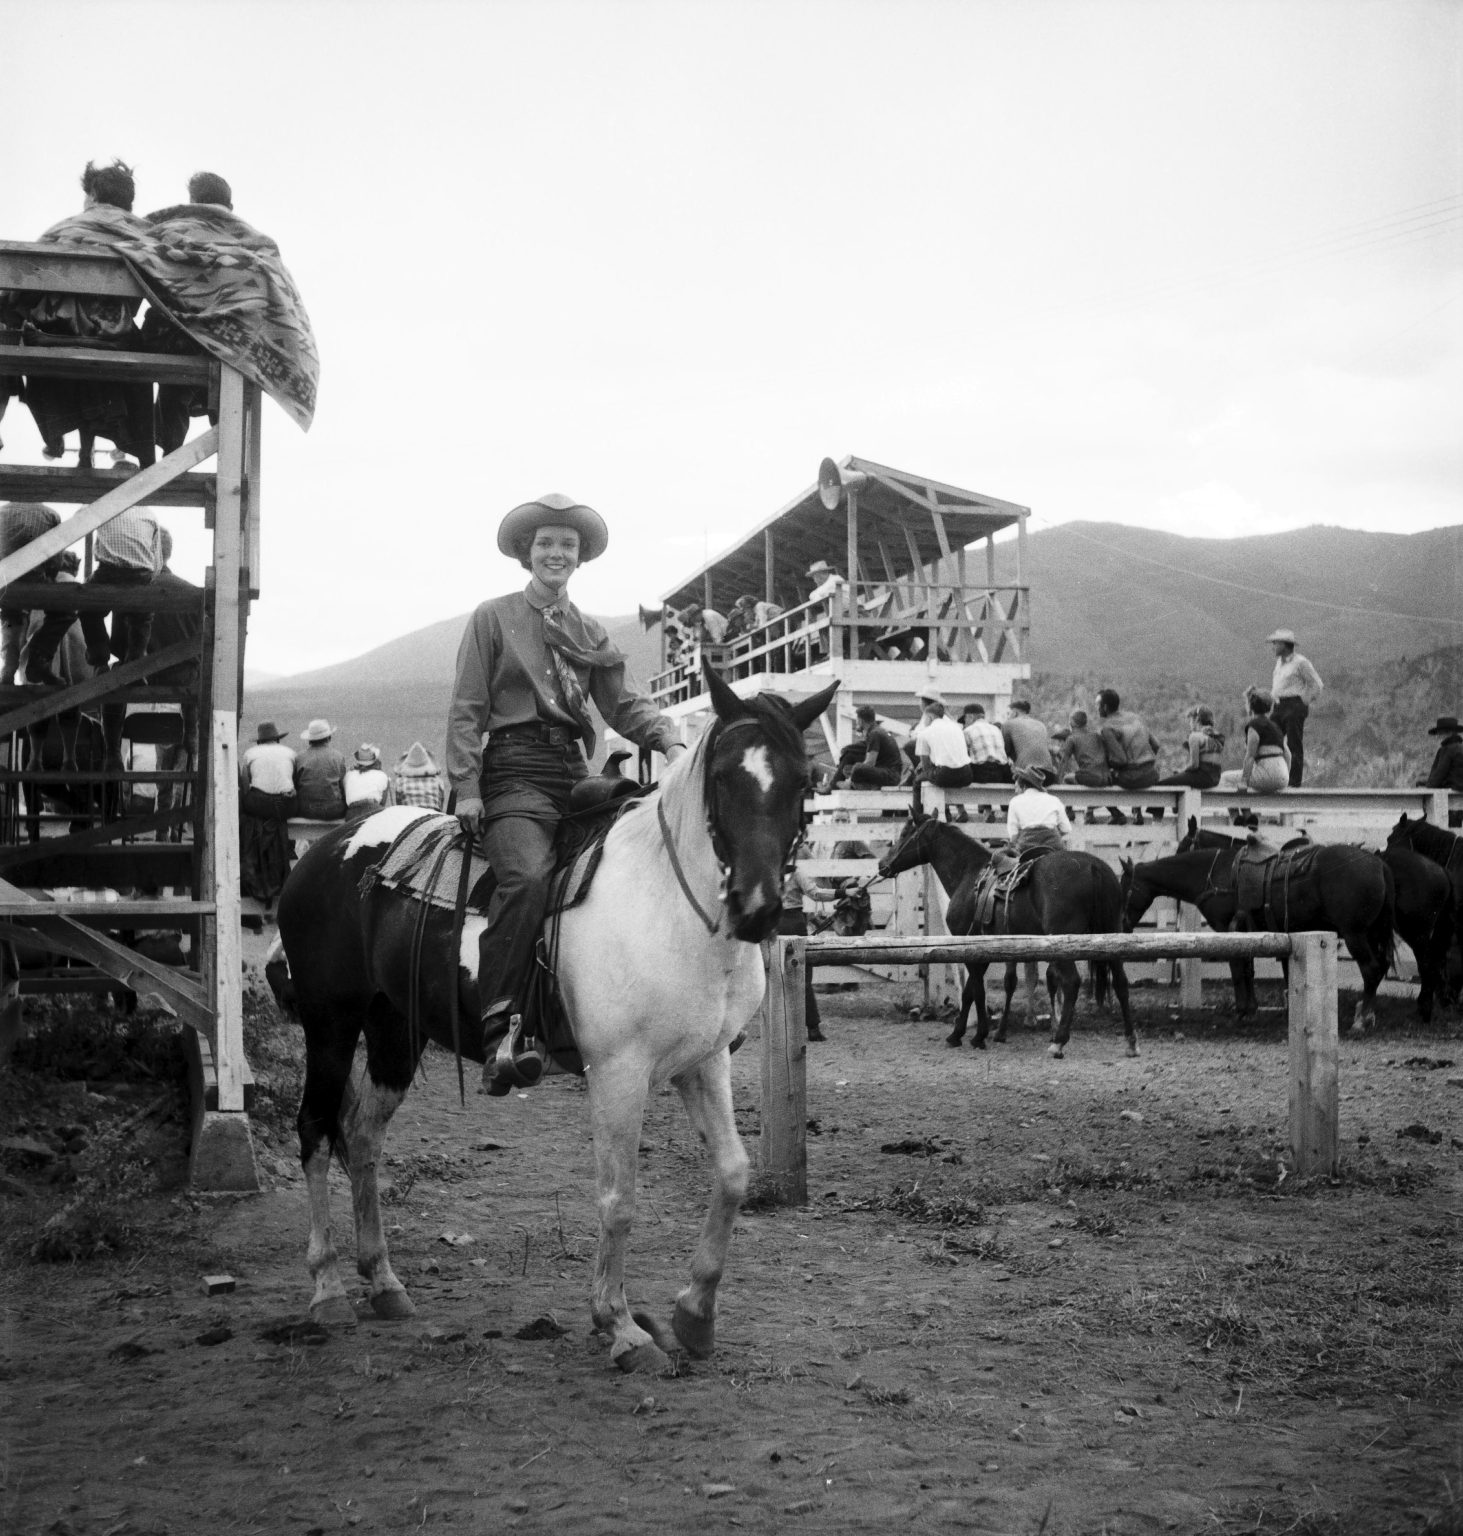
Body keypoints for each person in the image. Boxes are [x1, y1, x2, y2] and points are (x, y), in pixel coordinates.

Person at [447, 492, 685, 1094]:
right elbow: (468, 707)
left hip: (574, 770)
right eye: (546, 543)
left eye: (567, 545)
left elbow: (623, 705)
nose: (556, 553)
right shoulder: (493, 617)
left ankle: (645, 1010)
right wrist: (467, 786)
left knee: (635, 865)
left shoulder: (590, 632)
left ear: (580, 558)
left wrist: (671, 740)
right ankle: (500, 1028)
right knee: (527, 878)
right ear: (527, 553)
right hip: (513, 769)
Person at [2, 160, 155, 468]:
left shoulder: (66, 229)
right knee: (118, 359)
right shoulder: (146, 236)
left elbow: (21, 283)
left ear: (93, 195)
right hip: (117, 339)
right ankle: (141, 455)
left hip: (53, 336)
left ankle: (56, 436)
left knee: (17, 328)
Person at [143, 171, 234, 451]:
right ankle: (229, 454)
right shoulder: (244, 240)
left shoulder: (174, 232)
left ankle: (168, 454)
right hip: (228, 341)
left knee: (174, 387)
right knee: (225, 389)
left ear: (192, 202)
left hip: (178, 338)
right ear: (230, 207)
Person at [146, 527, 203, 821]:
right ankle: (176, 824)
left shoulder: (140, 593)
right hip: (188, 689)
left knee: (163, 766)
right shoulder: (192, 592)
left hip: (153, 689)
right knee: (182, 764)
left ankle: (162, 825)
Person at [0, 502, 62, 685]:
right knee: (65, 612)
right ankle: (39, 660)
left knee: (11, 618)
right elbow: (55, 559)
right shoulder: (50, 514)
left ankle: (8, 670)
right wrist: (49, 579)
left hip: (5, 582)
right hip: (34, 580)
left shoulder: (2, 511)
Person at [239, 721, 296, 909]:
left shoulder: (250, 754)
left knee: (248, 811)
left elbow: (245, 784)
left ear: (259, 741)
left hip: (259, 805)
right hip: (284, 806)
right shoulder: (290, 753)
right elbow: (293, 781)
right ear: (277, 739)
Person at [1267, 628, 1323, 788]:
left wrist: (1303, 701)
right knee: (1271, 740)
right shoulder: (1279, 663)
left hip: (1293, 705)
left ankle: (1294, 783)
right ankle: (1275, 777)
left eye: (1275, 643)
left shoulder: (1300, 662)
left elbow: (1316, 684)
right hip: (1278, 705)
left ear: (1284, 645)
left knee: (1294, 744)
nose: (1273, 647)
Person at [1097, 688, 1161, 824]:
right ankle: (1137, 810)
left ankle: (1116, 814)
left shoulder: (1108, 728)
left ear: (1105, 707)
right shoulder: (1136, 718)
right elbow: (1156, 745)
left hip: (1132, 779)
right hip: (1152, 775)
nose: (1097, 708)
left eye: (1098, 705)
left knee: (1098, 778)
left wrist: (1107, 763)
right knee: (1131, 768)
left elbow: (1121, 760)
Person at [1218, 687, 1290, 795]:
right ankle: (1247, 807)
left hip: (1267, 774)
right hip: (1283, 776)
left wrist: (1244, 782)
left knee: (1225, 778)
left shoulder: (1254, 725)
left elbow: (1250, 756)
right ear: (1270, 708)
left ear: (1250, 707)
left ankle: (1235, 807)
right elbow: (1288, 755)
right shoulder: (1276, 727)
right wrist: (1285, 777)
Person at [911, 688, 974, 788]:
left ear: (930, 716)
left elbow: (925, 764)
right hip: (967, 774)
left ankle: (919, 799)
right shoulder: (955, 726)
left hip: (945, 774)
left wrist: (925, 773)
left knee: (918, 779)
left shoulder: (925, 731)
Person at [831, 704, 903, 789]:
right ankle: (839, 784)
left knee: (857, 768)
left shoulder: (874, 734)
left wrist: (851, 776)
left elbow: (870, 762)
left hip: (890, 776)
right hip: (888, 773)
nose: (857, 722)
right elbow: (860, 748)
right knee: (849, 761)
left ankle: (850, 784)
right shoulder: (877, 731)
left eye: (857, 719)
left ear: (861, 720)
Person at [1158, 705, 1226, 789]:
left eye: (1190, 720)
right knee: (1178, 776)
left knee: (1161, 783)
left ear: (1197, 719)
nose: (1189, 724)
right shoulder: (1217, 736)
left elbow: (1194, 765)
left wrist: (1181, 772)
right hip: (1215, 779)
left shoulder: (1195, 736)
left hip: (1202, 778)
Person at [292, 719, 348, 820]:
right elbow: (342, 786)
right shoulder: (338, 756)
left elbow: (295, 785)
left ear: (309, 740)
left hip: (306, 810)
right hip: (333, 810)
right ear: (329, 738)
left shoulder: (300, 757)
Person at [1001, 700, 1055, 786]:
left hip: (1026, 775)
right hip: (1047, 775)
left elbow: (1004, 753)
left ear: (1014, 713)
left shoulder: (1008, 724)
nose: (1007, 717)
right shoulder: (1041, 725)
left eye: (1008, 713)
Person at [960, 702, 1012, 785]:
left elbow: (962, 757)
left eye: (965, 720)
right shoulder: (996, 729)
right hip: (1000, 773)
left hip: (980, 773)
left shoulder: (968, 731)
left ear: (971, 717)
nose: (964, 723)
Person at [391, 741, 448, 810]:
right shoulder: (438, 781)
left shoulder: (400, 782)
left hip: (409, 815)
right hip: (434, 814)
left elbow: (399, 805)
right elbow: (440, 804)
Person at [1417, 716, 1463, 799]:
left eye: (1440, 733)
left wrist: (1426, 789)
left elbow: (1440, 774)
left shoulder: (1447, 749)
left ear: (1449, 733)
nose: (1438, 736)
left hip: (1452, 793)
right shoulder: (1460, 748)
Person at [343, 744, 393, 817]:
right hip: (374, 808)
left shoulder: (349, 775)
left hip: (352, 812)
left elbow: (345, 796)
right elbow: (382, 803)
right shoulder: (382, 775)